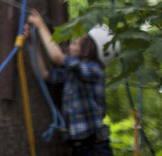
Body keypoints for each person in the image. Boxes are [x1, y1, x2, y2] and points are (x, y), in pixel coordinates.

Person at [26, 10, 117, 156]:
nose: (69, 47)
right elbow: (43, 74)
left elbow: (57, 58)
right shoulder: (73, 73)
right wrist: (32, 43)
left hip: (95, 148)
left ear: (86, 51)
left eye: (74, 44)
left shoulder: (94, 71)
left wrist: (41, 26)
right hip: (78, 148)